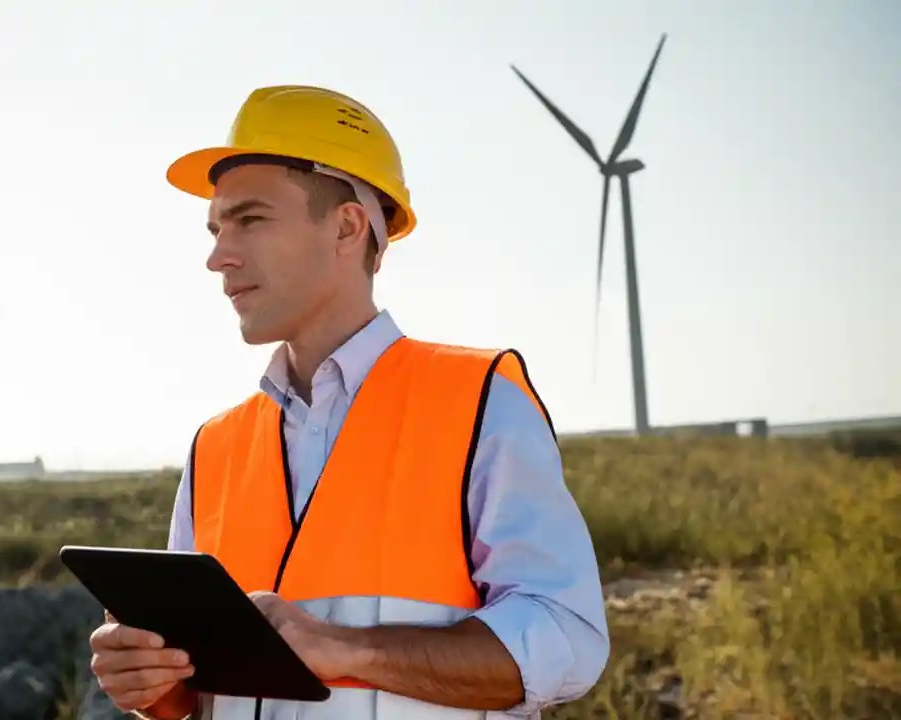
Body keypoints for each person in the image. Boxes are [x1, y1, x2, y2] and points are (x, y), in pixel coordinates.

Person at [88, 85, 609, 720]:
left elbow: (567, 639)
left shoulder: (479, 400)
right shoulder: (216, 447)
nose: (217, 256)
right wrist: (154, 681)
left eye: (249, 219)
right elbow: (201, 693)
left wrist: (345, 650)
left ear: (346, 226)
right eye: (216, 227)